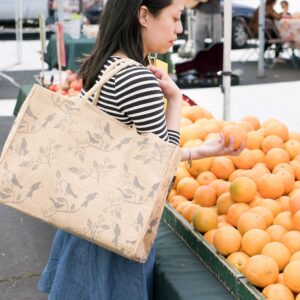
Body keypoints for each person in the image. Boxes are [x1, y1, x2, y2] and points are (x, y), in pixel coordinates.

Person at [38, 1, 244, 299]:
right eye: (175, 18)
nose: (180, 28)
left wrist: (200, 152)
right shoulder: (137, 78)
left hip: (86, 222)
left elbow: (129, 154)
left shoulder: (106, 63)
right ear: (144, 15)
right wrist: (174, 100)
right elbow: (160, 171)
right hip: (114, 238)